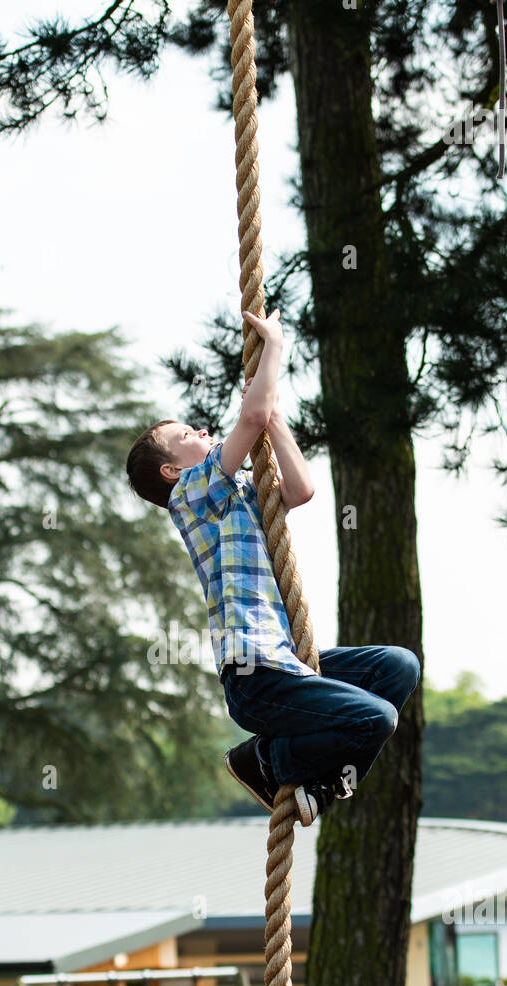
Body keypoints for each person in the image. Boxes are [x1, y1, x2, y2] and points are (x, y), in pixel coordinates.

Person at [125, 308, 421, 827]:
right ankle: (276, 762)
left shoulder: (237, 490)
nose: (199, 429)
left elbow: (300, 489)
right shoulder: (191, 497)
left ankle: (280, 762)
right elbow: (251, 418)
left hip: (286, 660)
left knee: (397, 666)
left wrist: (277, 418)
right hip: (255, 672)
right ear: (174, 469)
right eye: (186, 434)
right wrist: (275, 348)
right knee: (376, 718)